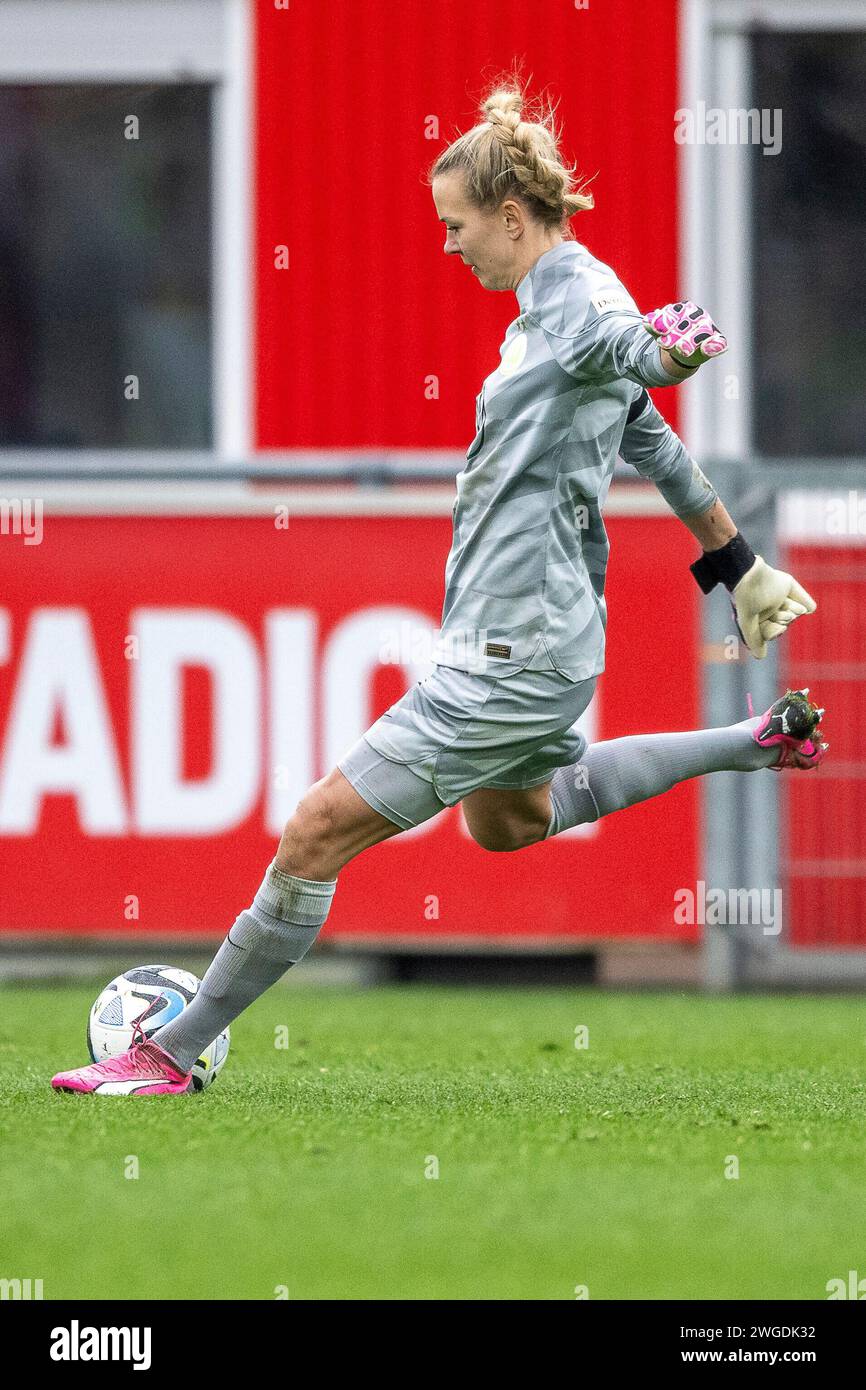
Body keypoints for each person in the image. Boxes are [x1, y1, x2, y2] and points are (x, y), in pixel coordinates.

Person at [51, 80, 827, 1097]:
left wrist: (663, 344)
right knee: (504, 821)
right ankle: (755, 739)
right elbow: (654, 439)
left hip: (510, 655)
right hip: (538, 645)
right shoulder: (540, 314)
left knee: (315, 829)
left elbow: (626, 348)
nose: (448, 244)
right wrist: (736, 564)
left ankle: (167, 1048)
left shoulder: (577, 303)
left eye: (455, 225)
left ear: (511, 217)